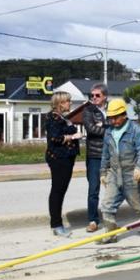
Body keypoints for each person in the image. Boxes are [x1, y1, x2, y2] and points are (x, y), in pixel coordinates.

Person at [98, 98, 140, 242]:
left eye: (115, 118)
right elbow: (105, 154)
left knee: (139, 206)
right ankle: (110, 234)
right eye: (110, 118)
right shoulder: (109, 132)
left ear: (124, 115)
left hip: (131, 174)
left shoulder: (135, 130)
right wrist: (102, 172)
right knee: (107, 205)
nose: (113, 121)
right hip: (114, 173)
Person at [44, 91, 81, 236]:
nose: (70, 103)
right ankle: (57, 225)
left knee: (60, 191)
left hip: (66, 158)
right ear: (60, 103)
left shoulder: (62, 118)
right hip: (59, 159)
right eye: (68, 101)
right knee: (57, 191)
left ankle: (57, 224)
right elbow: (55, 138)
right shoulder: (53, 118)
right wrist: (73, 136)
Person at [82, 83, 108, 232]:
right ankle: (93, 220)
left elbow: (120, 124)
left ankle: (110, 217)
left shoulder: (112, 109)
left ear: (104, 96)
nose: (94, 98)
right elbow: (91, 129)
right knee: (93, 189)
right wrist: (107, 128)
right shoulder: (88, 111)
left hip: (111, 154)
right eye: (92, 95)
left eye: (97, 95)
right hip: (95, 155)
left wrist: (102, 125)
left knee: (114, 188)